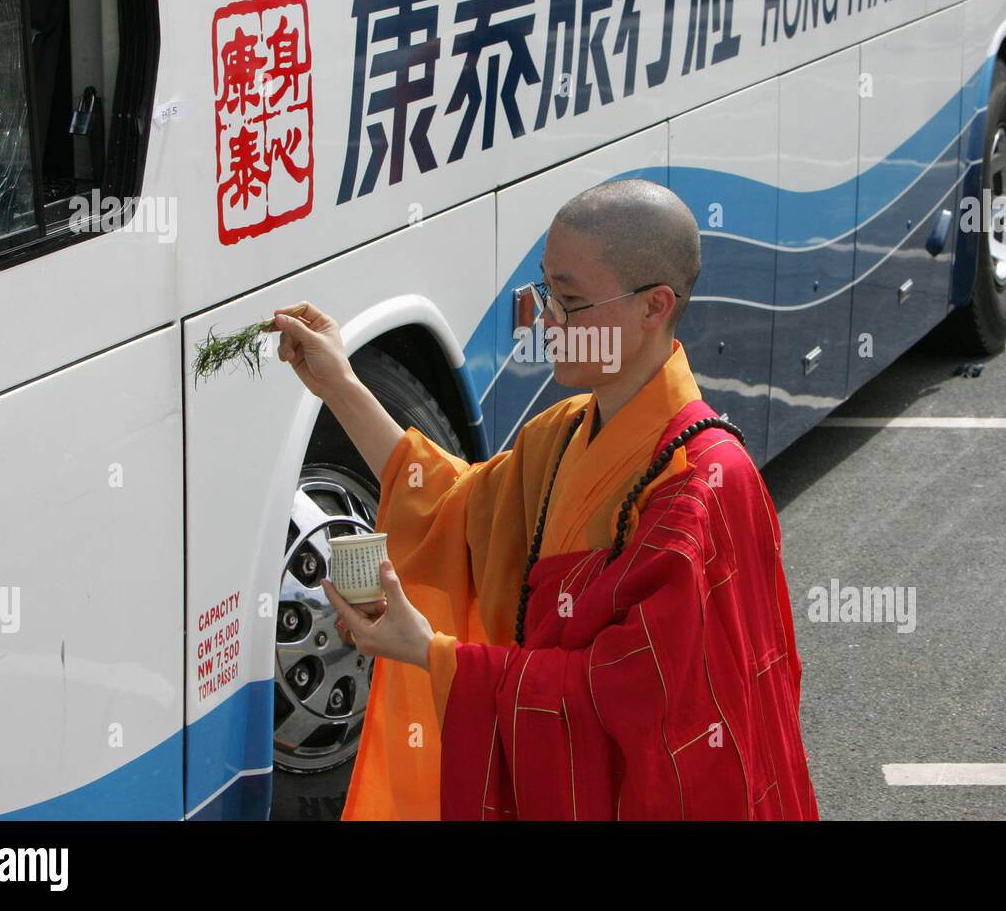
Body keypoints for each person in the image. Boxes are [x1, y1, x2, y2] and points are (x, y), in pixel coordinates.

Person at [270, 178, 821, 821]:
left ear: (655, 306)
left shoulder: (705, 487)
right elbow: (450, 504)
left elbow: (634, 701)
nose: (545, 320)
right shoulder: (559, 436)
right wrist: (339, 384)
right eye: (544, 291)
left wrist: (429, 651)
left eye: (571, 300)